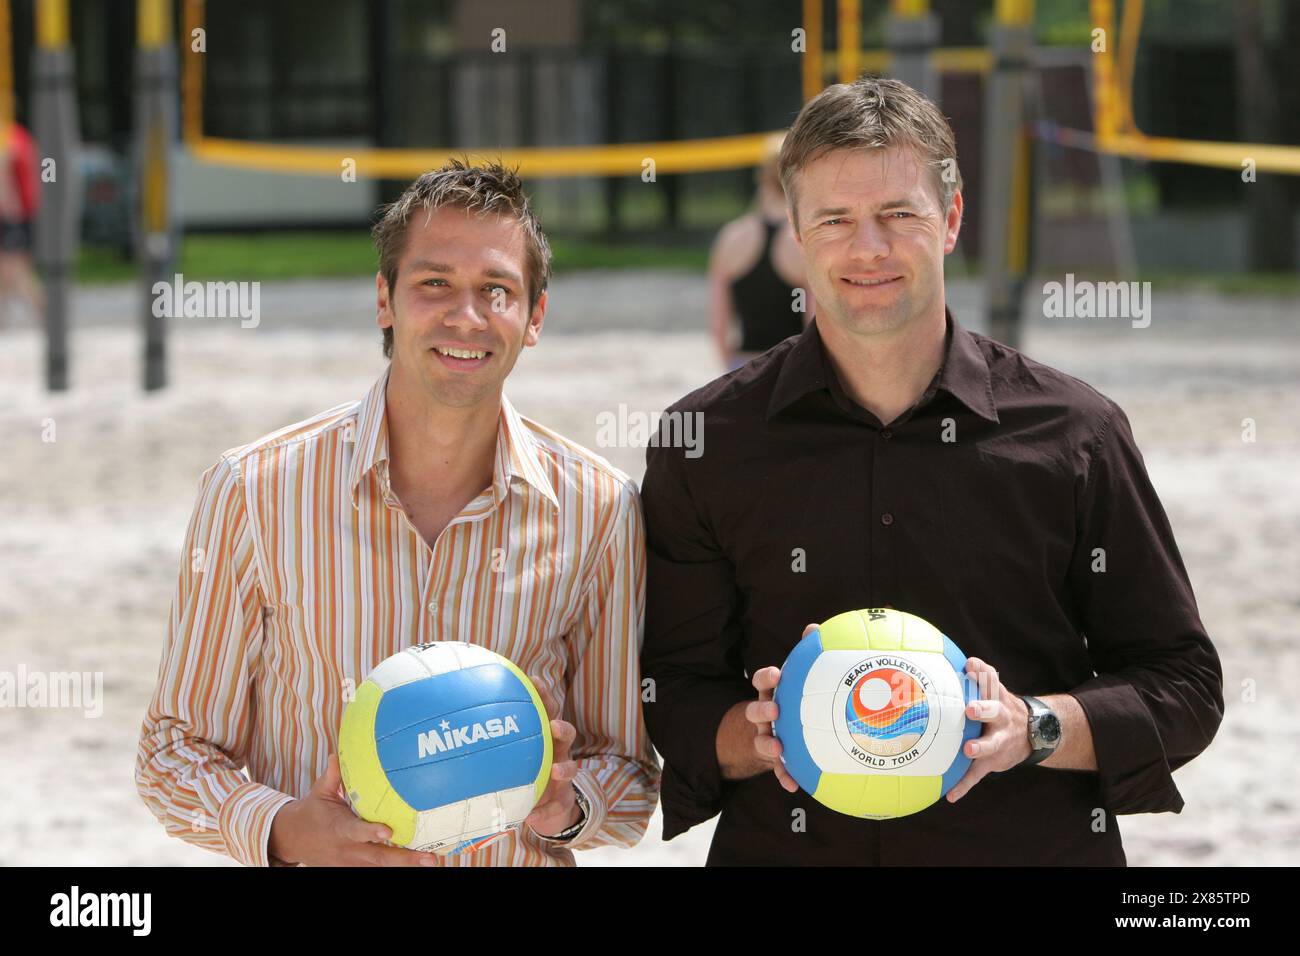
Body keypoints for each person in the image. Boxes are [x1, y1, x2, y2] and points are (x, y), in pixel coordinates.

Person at [640, 76, 1223, 865]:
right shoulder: (702, 441)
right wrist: (757, 735)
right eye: (836, 220)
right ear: (797, 235)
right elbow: (668, 688)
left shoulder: (1077, 433)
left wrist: (1029, 726)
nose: (868, 248)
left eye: (898, 214)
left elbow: (1182, 686)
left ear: (950, 219)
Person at [136, 159, 659, 867]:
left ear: (534, 316)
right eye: (434, 283)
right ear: (385, 299)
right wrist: (286, 829)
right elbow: (173, 751)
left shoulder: (600, 510)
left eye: (496, 290)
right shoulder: (254, 490)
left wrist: (568, 804)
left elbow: (628, 770)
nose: (465, 316)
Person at [709, 137, 814, 372]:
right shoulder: (802, 242)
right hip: (789, 367)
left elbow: (718, 326)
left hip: (743, 365)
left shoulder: (731, 237)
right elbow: (813, 324)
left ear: (762, 178)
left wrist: (731, 371)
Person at [0, 121, 44, 328]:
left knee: (15, 271)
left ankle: (48, 313)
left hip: (12, 215)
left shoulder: (8, 139)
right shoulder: (20, 135)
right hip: (20, 214)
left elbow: (5, 180)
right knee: (8, 272)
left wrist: (9, 211)